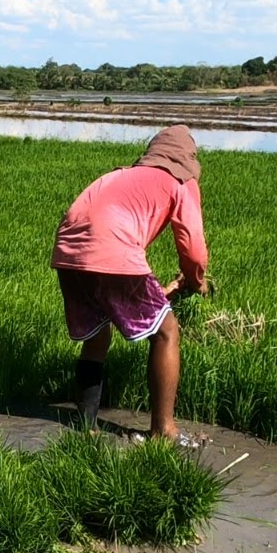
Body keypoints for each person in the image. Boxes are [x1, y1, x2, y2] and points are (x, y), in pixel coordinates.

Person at [50, 125, 209, 445]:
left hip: (67, 251)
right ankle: (163, 430)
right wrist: (196, 282)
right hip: (113, 249)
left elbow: (103, 255)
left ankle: (85, 428)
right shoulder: (181, 180)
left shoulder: (121, 175)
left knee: (97, 335)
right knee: (167, 331)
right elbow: (193, 249)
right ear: (188, 157)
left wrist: (161, 292)